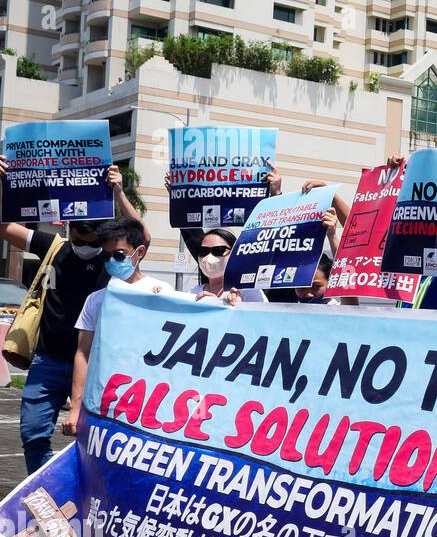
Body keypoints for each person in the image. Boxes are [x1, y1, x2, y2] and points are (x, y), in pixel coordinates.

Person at [0, 158, 146, 473]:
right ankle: (48, 489)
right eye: (78, 239)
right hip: (49, 359)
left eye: (91, 243)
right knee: (33, 432)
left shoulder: (114, 260)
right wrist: (3, 185)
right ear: (69, 229)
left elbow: (141, 237)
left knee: (102, 438)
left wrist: (119, 192)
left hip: (99, 364)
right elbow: (5, 227)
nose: (83, 246)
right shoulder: (53, 247)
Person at [63, 218, 173, 437]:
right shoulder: (96, 300)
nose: (112, 261)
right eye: (107, 256)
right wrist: (75, 408)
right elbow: (83, 353)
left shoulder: (163, 292)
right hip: (103, 400)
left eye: (119, 255)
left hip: (149, 403)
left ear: (139, 252)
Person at [190, 228, 263, 304]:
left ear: (234, 253)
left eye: (219, 250)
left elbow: (264, 315)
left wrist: (237, 307)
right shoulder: (193, 292)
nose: (209, 256)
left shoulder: (247, 291)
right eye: (203, 251)